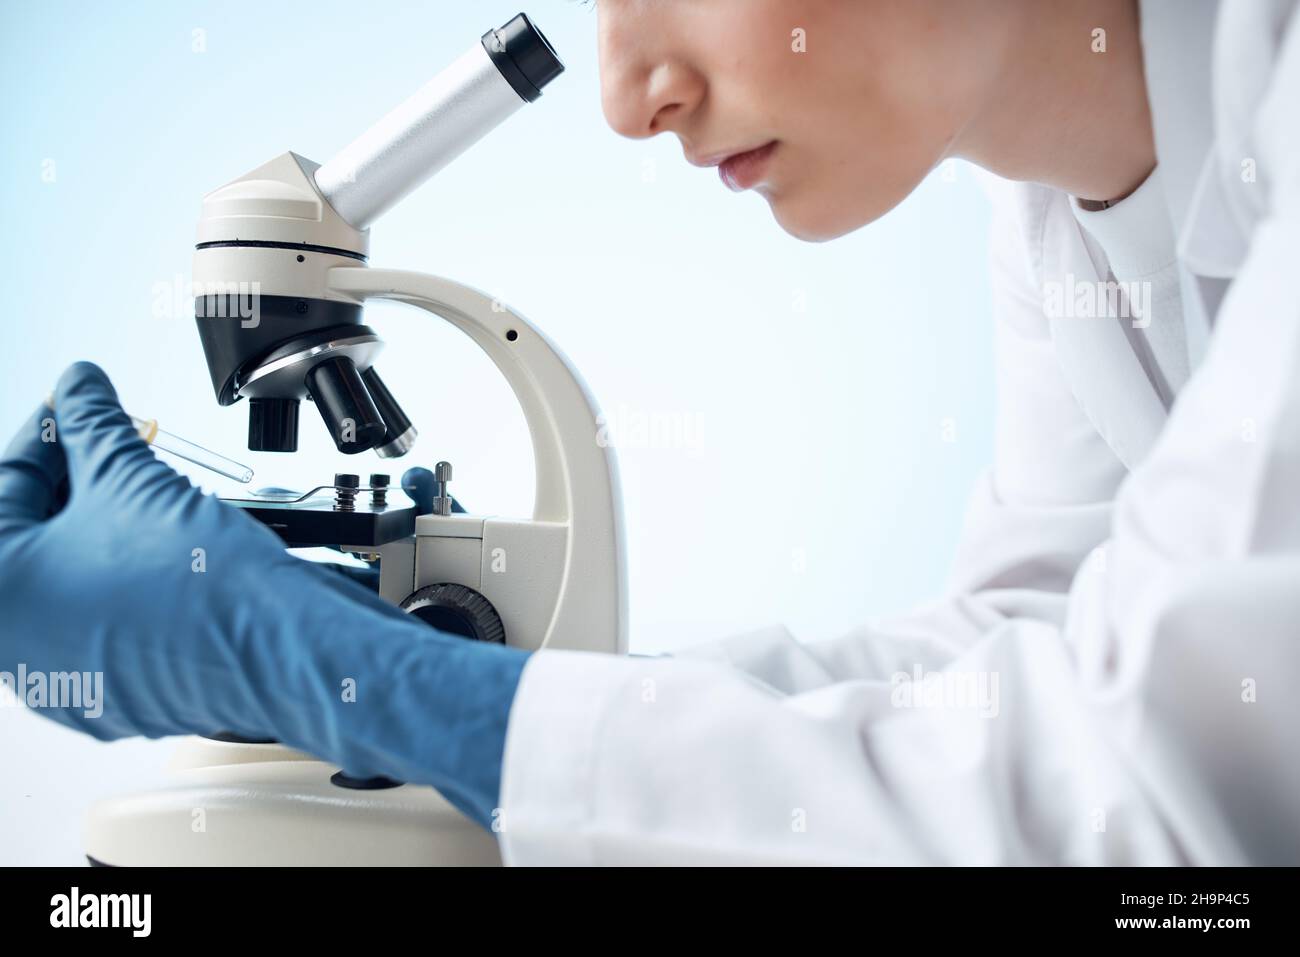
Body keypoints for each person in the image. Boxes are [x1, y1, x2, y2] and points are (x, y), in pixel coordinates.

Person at [2, 0, 1298, 865]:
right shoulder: (1058, 222)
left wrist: (364, 681)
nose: (629, 96)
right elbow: (1017, 661)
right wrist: (419, 689)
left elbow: (1161, 802)